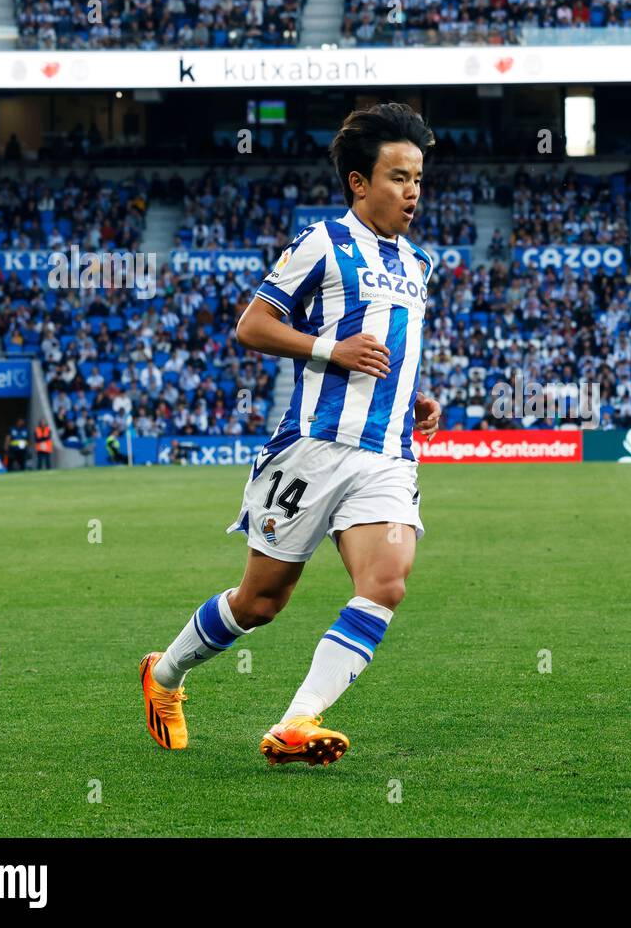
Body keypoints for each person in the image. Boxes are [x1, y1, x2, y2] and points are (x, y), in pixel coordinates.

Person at [139, 103, 443, 766]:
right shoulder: (323, 243)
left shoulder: (419, 263)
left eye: (418, 176)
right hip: (309, 452)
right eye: (398, 176)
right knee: (261, 600)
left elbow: (388, 343)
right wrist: (329, 351)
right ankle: (164, 675)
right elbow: (252, 326)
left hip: (388, 455)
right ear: (359, 183)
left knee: (386, 582)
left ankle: (298, 720)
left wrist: (411, 394)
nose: (413, 190)